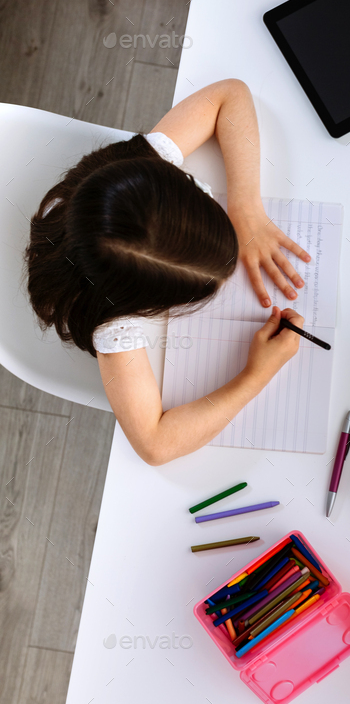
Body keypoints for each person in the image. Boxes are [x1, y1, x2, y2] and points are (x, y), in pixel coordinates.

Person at [26, 79, 310, 465]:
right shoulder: (108, 319)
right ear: (141, 304)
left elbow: (231, 95)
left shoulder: (144, 173)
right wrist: (255, 375)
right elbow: (155, 445)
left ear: (174, 183)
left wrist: (246, 210)